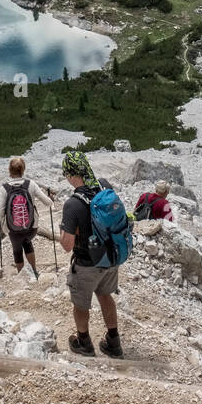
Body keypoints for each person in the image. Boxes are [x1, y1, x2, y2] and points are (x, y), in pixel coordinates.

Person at [58, 148, 124, 359]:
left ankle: (83, 341)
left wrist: (67, 230)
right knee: (105, 295)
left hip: (87, 262)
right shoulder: (105, 186)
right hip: (111, 256)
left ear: (70, 174)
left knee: (80, 304)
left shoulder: (73, 204)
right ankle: (113, 341)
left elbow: (67, 245)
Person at [0, 156, 55, 280]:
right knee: (27, 242)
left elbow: (0, 212)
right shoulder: (31, 184)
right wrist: (51, 198)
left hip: (13, 229)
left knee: (17, 249)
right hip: (31, 227)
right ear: (23, 169)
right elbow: (48, 202)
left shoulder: (4, 188)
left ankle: (22, 276)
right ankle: (34, 272)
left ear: (9, 170)